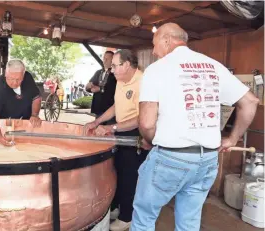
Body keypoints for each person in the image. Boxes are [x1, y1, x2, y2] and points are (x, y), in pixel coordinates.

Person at [130, 23, 259, 231]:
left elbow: (146, 122)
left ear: (166, 40)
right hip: (207, 160)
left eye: (154, 45)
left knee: (144, 217)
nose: (153, 51)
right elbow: (250, 102)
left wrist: (151, 140)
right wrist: (233, 139)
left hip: (170, 158)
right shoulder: (214, 66)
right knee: (189, 221)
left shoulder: (156, 69)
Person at [84, 49, 148, 231]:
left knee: (129, 176)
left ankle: (127, 216)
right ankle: (118, 207)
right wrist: (97, 121)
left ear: (127, 65)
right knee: (117, 170)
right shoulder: (121, 80)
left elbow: (141, 118)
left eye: (114, 66)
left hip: (137, 133)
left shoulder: (143, 82)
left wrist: (111, 128)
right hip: (121, 129)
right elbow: (116, 106)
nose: (111, 70)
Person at [0, 59, 42, 146]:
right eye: (11, 79)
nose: (14, 83)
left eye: (18, 79)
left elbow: (37, 98)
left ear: (23, 75)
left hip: (25, 123)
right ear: (6, 73)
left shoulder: (28, 78)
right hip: (3, 123)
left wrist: (35, 114)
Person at [86, 51, 116, 124]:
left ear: (113, 60)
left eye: (107, 59)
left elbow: (114, 88)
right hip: (98, 108)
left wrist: (100, 89)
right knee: (98, 130)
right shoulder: (98, 72)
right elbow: (89, 86)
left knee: (108, 132)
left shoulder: (115, 73)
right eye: (104, 58)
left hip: (110, 108)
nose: (104, 60)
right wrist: (88, 87)